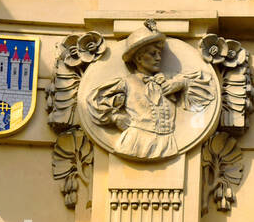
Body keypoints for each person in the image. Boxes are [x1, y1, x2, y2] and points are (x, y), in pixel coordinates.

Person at [86, 19, 214, 160]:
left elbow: (207, 87)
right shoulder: (126, 82)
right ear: (139, 58)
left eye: (159, 53)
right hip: (136, 142)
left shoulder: (168, 80)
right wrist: (115, 117)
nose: (158, 58)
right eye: (153, 54)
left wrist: (181, 83)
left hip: (167, 143)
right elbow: (94, 100)